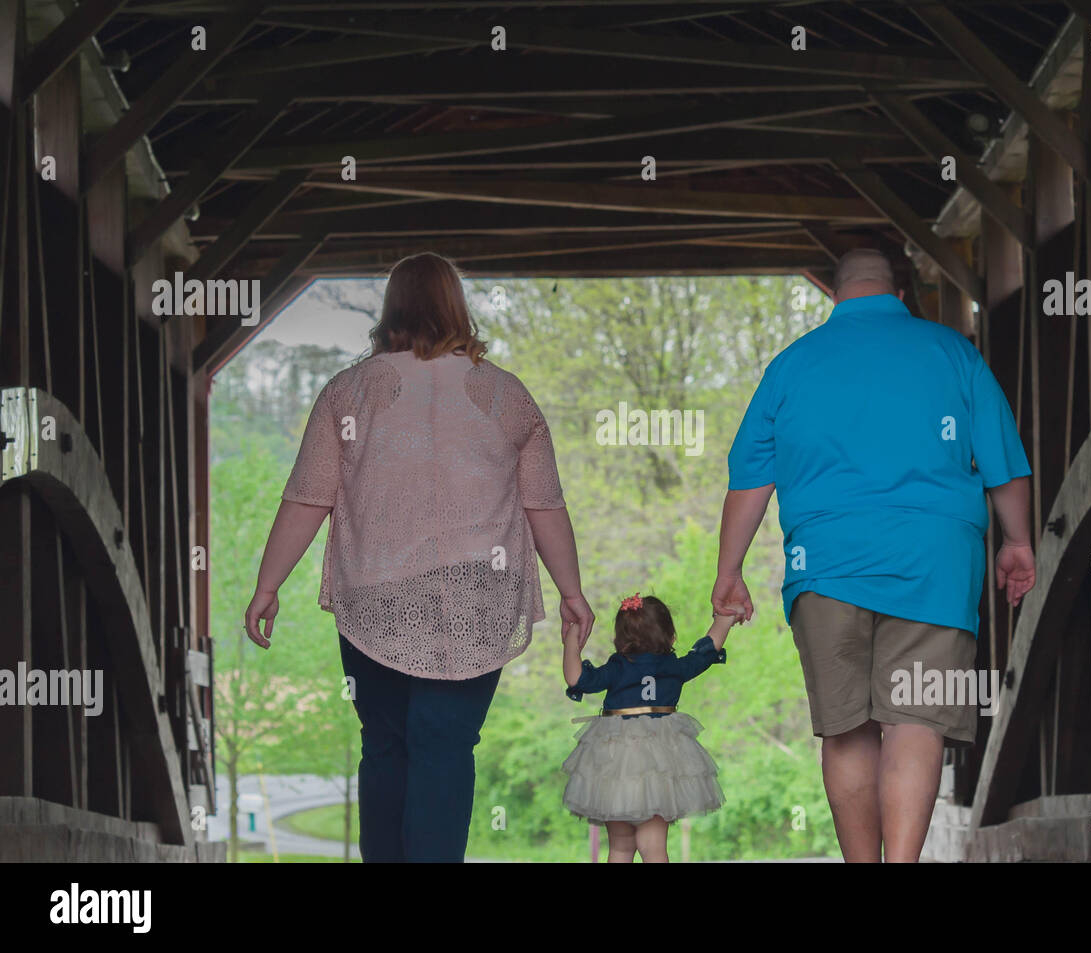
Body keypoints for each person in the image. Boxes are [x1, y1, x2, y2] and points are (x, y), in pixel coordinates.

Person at [243, 252, 595, 863]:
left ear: (391, 310)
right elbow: (544, 505)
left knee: (384, 744)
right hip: (476, 592)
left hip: (378, 592)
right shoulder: (506, 395)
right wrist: (571, 591)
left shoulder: (348, 392)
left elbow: (307, 498)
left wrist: (267, 585)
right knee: (448, 744)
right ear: (456, 305)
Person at [713, 248, 1035, 862]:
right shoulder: (952, 354)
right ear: (903, 294)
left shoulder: (792, 366)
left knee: (846, 728)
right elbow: (1004, 462)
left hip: (826, 566)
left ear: (835, 296)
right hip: (934, 565)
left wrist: (729, 574)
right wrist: (1017, 542)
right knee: (918, 721)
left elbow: (749, 480)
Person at [560, 593, 739, 862]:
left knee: (620, 847)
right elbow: (705, 652)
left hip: (615, 764)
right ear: (671, 637)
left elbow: (577, 679)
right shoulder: (673, 667)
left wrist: (572, 639)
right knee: (653, 847)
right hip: (659, 763)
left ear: (619, 640)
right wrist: (724, 620)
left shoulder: (617, 667)